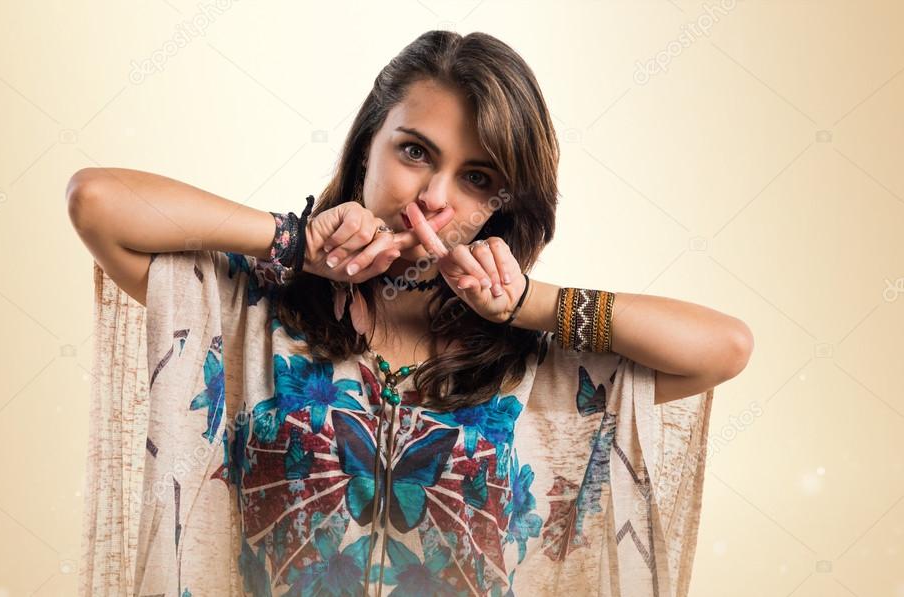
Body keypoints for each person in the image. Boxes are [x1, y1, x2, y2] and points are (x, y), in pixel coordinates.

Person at [69, 30, 750, 597]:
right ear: (368, 143)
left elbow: (722, 346)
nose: (432, 196)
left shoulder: (538, 372)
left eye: (476, 178)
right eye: (414, 151)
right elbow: (97, 200)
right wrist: (297, 242)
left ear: (500, 208)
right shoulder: (244, 311)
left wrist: (526, 305)